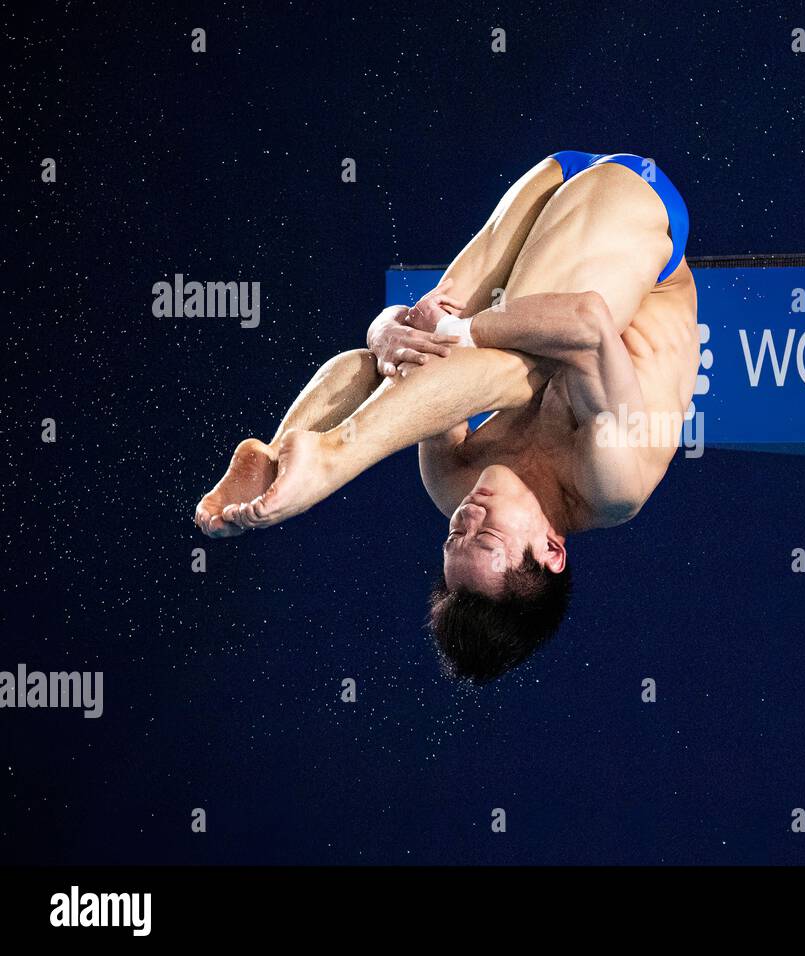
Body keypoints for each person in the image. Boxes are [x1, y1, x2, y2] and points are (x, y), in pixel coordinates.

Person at [195, 152, 698, 682]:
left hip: (556, 178)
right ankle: (333, 459)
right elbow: (589, 324)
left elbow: (392, 368)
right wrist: (459, 332)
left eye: (453, 539)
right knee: (518, 359)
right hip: (636, 202)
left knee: (416, 352)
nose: (465, 519)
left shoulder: (452, 484)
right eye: (485, 538)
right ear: (552, 550)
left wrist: (384, 331)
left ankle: (275, 453)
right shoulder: (611, 486)